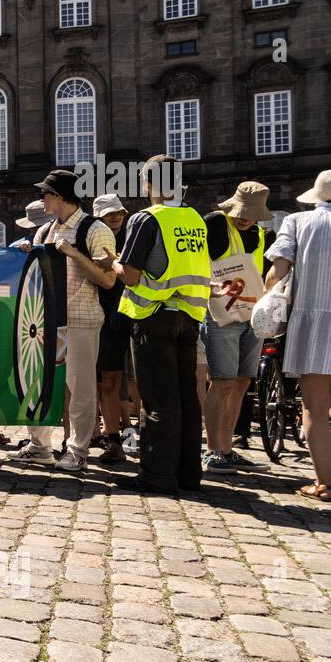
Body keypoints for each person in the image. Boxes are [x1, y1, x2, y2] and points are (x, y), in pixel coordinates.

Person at [113, 155, 211, 495]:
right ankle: (188, 473)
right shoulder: (195, 218)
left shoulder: (146, 218)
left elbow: (130, 274)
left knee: (157, 399)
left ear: (149, 184)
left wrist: (111, 262)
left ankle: (156, 475)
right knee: (186, 398)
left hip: (153, 316)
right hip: (190, 316)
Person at [12, 171, 116, 473]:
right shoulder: (44, 231)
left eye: (44, 194)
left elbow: (109, 280)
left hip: (82, 317)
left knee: (80, 386)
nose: (40, 199)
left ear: (59, 196)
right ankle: (40, 446)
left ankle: (78, 451)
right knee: (37, 381)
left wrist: (74, 254)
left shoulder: (95, 229)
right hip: (46, 320)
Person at [266, 170, 331, 504]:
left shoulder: (298, 222)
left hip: (315, 326)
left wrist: (268, 296)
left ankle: (325, 483)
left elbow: (278, 271)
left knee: (315, 409)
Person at [201, 182, 273, 475]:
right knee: (222, 381)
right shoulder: (214, 225)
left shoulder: (259, 235)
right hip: (221, 316)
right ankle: (213, 450)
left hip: (252, 316)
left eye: (251, 214)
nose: (245, 218)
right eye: (242, 212)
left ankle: (227, 448)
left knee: (243, 381)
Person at [92, 194, 132, 464]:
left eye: (118, 212)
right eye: (109, 214)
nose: (115, 217)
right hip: (107, 317)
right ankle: (113, 438)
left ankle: (126, 432)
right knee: (108, 381)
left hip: (134, 314)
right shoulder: (92, 240)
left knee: (132, 381)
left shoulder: (133, 237)